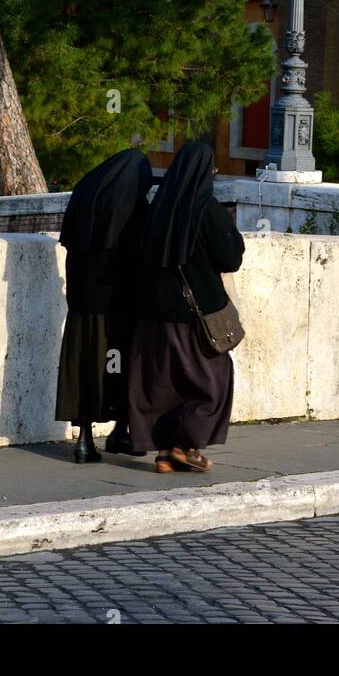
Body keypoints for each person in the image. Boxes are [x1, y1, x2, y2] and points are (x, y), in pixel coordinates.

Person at [127, 140, 244, 473]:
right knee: (213, 381)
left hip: (151, 315)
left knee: (163, 385)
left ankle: (165, 453)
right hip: (193, 316)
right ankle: (184, 444)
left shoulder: (157, 207)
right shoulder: (207, 209)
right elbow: (229, 258)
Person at [55, 148, 152, 464]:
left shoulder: (86, 202)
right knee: (118, 368)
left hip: (81, 309)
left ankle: (84, 441)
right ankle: (121, 430)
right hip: (117, 310)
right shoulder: (131, 209)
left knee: (83, 371)